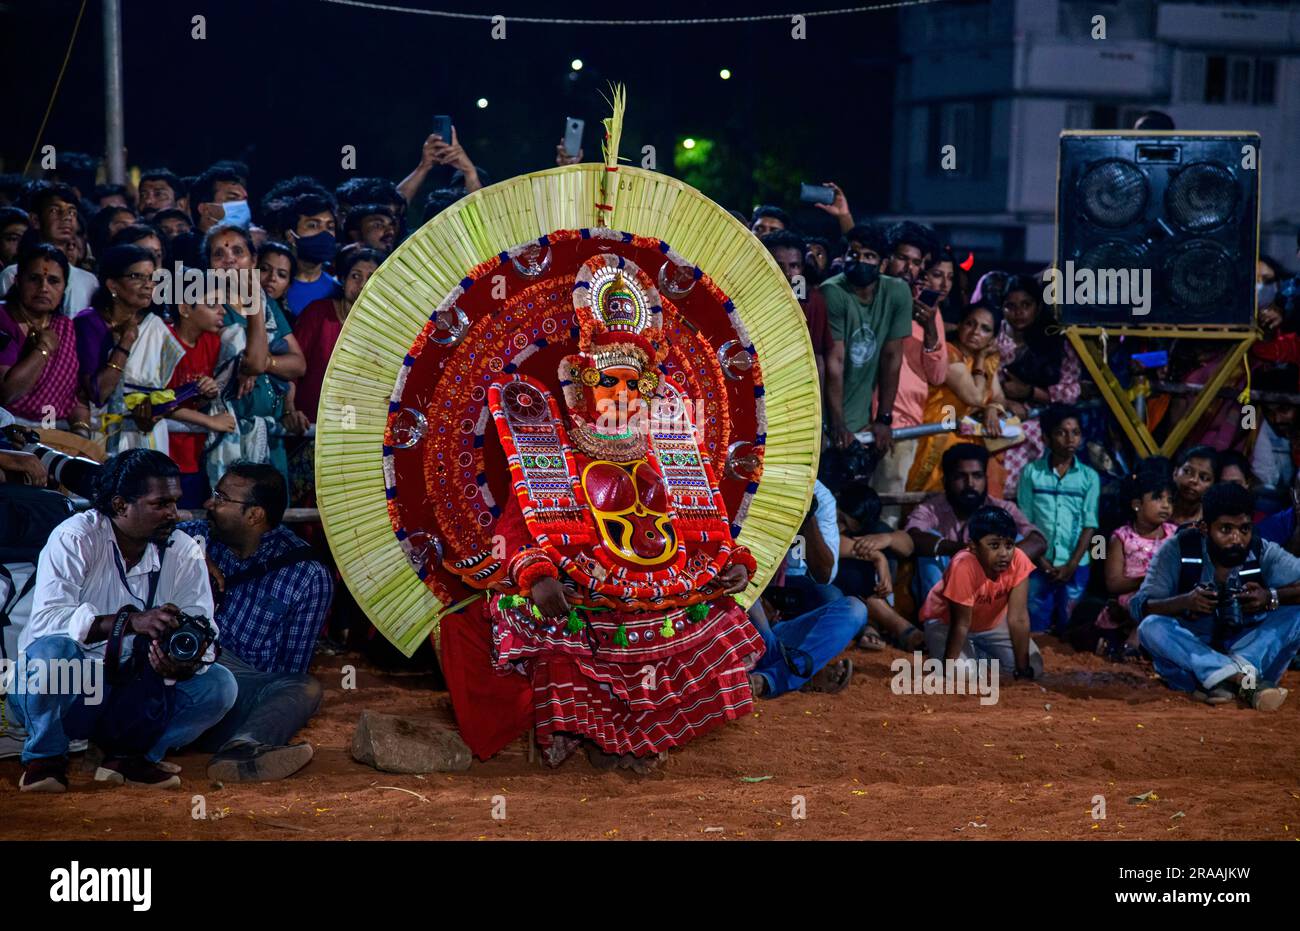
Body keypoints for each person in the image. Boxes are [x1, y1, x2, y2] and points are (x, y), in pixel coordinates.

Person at [437, 254, 763, 773]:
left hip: (659, 592)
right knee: (531, 620)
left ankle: (638, 735)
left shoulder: (666, 446)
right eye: (611, 381)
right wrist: (537, 574)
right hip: (582, 588)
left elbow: (703, 525)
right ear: (582, 383)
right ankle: (588, 734)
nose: (623, 395)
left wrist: (734, 561)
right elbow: (520, 527)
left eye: (636, 385)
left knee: (709, 616)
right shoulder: (553, 445)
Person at [9, 449, 237, 792]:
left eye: (174, 502)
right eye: (160, 504)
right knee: (52, 653)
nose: (174, 514)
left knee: (218, 686)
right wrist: (130, 623)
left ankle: (131, 759)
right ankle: (45, 757)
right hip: (73, 691)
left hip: (134, 694)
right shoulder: (76, 537)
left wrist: (180, 662)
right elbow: (46, 621)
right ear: (120, 505)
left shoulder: (184, 550)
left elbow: (202, 628)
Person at [179, 462, 332, 781]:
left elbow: (290, 670)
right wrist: (191, 557)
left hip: (237, 688)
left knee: (303, 687)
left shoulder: (307, 576)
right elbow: (133, 531)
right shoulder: (193, 538)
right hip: (177, 669)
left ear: (255, 515)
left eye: (221, 498)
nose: (209, 504)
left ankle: (243, 749)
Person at [1133, 482, 1300, 710]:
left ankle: (1222, 681)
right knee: (1150, 626)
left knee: (1295, 611)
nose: (1236, 539)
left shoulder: (1261, 549)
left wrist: (1270, 596)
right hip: (1191, 662)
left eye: (1244, 529)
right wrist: (1185, 601)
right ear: (1204, 528)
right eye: (1225, 529)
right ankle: (1241, 681)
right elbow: (1139, 607)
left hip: (1250, 655)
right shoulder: (1178, 548)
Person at [749, 480, 861, 698]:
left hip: (788, 602)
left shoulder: (819, 495)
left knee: (850, 606)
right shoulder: (746, 477)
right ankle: (798, 671)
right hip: (749, 598)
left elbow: (825, 575)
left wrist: (807, 516)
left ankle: (771, 676)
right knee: (743, 591)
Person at [871, 222, 949, 521]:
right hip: (858, 423)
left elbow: (939, 375)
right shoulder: (868, 295)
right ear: (887, 257)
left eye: (917, 263)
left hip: (901, 428)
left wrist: (930, 330)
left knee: (887, 516)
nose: (909, 267)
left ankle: (882, 567)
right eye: (903, 258)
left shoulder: (930, 310)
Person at [906, 442, 1046, 600]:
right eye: (961, 477)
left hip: (990, 590)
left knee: (1017, 541)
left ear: (985, 479)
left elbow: (1038, 541)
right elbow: (912, 536)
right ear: (946, 481)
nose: (970, 484)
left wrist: (993, 558)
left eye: (977, 476)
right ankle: (936, 619)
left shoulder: (1002, 507)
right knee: (928, 547)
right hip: (947, 595)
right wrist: (959, 550)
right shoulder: (932, 508)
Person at [918, 505, 1043, 679]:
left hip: (992, 625)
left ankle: (978, 656)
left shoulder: (1018, 559)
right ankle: (951, 655)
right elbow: (960, 623)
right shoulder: (963, 565)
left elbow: (1018, 618)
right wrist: (947, 670)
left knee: (1034, 667)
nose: (1003, 554)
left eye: (1009, 545)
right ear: (973, 547)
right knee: (961, 673)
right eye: (994, 545)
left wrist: (1022, 671)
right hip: (946, 623)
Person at [823, 223, 911, 455]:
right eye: (854, 253)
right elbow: (835, 361)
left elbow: (892, 357)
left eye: (869, 256)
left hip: (863, 420)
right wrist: (837, 424)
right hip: (827, 419)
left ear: (883, 263)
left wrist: (884, 417)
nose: (860, 260)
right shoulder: (832, 292)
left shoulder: (898, 292)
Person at [906, 302, 1005, 496]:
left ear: (993, 338)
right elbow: (976, 397)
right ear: (959, 325)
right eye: (970, 324)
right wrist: (980, 360)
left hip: (969, 440)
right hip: (936, 433)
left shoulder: (989, 361)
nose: (976, 332)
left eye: (985, 329)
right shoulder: (949, 353)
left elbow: (999, 396)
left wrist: (993, 408)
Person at [995, 275, 1082, 496]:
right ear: (1001, 308)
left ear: (1038, 306)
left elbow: (1072, 390)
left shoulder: (1056, 341)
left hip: (1045, 425)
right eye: (1010, 306)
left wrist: (1031, 392)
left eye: (1026, 305)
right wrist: (1005, 401)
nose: (1019, 312)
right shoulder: (992, 339)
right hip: (998, 422)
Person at [1016, 404, 1099, 632]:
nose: (1070, 439)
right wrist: (1042, 562)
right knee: (1035, 625)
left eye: (1075, 432)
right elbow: (1025, 522)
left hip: (1076, 563)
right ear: (1046, 437)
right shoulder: (1031, 473)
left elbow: (1090, 524)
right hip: (1038, 562)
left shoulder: (1089, 477)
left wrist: (1072, 564)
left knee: (1070, 626)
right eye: (1062, 432)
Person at [0, 244, 89, 435]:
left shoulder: (66, 328)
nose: (44, 288)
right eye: (34, 279)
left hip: (54, 433)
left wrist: (81, 433)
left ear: (64, 287)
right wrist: (44, 348)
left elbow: (75, 396)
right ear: (17, 281)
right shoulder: (3, 319)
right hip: (8, 432)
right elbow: (6, 392)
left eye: (53, 281)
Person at [73, 244, 158, 433]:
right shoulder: (89, 322)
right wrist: (126, 341)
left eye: (151, 278)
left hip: (141, 432)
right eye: (136, 277)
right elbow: (99, 393)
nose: (148, 284)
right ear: (113, 285)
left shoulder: (154, 327)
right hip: (99, 432)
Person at [1096, 470, 1179, 659]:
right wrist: (1147, 580)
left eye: (1170, 500)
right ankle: (1128, 647)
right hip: (1131, 600)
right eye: (1158, 499)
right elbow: (1113, 583)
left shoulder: (1175, 535)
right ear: (1136, 505)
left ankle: (1133, 646)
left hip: (1165, 597)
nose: (1166, 505)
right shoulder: (1121, 537)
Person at [166, 287, 236, 507]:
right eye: (212, 304)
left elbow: (201, 398)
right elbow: (159, 403)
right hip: (167, 453)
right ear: (185, 308)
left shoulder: (211, 342)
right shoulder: (164, 339)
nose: (222, 311)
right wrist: (211, 422)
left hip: (195, 454)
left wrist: (210, 391)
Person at [0, 183, 98, 314]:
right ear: (35, 220)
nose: (67, 217)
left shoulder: (88, 281)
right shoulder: (12, 275)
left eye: (72, 212)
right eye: (54, 211)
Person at [762, 229, 832, 390]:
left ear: (802, 269)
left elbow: (816, 356)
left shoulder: (813, 301)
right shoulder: (742, 297)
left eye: (794, 266)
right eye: (778, 265)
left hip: (794, 391)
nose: (787, 273)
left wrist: (817, 410)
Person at [283, 193, 341, 318]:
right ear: (291, 236)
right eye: (313, 225)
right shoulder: (268, 282)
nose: (324, 233)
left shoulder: (338, 292)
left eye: (330, 227)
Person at [1170, 445, 1219, 527]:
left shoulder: (1210, 524)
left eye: (1204, 478)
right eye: (1187, 471)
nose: (1194, 480)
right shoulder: (1155, 510)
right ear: (1175, 472)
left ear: (1213, 485)